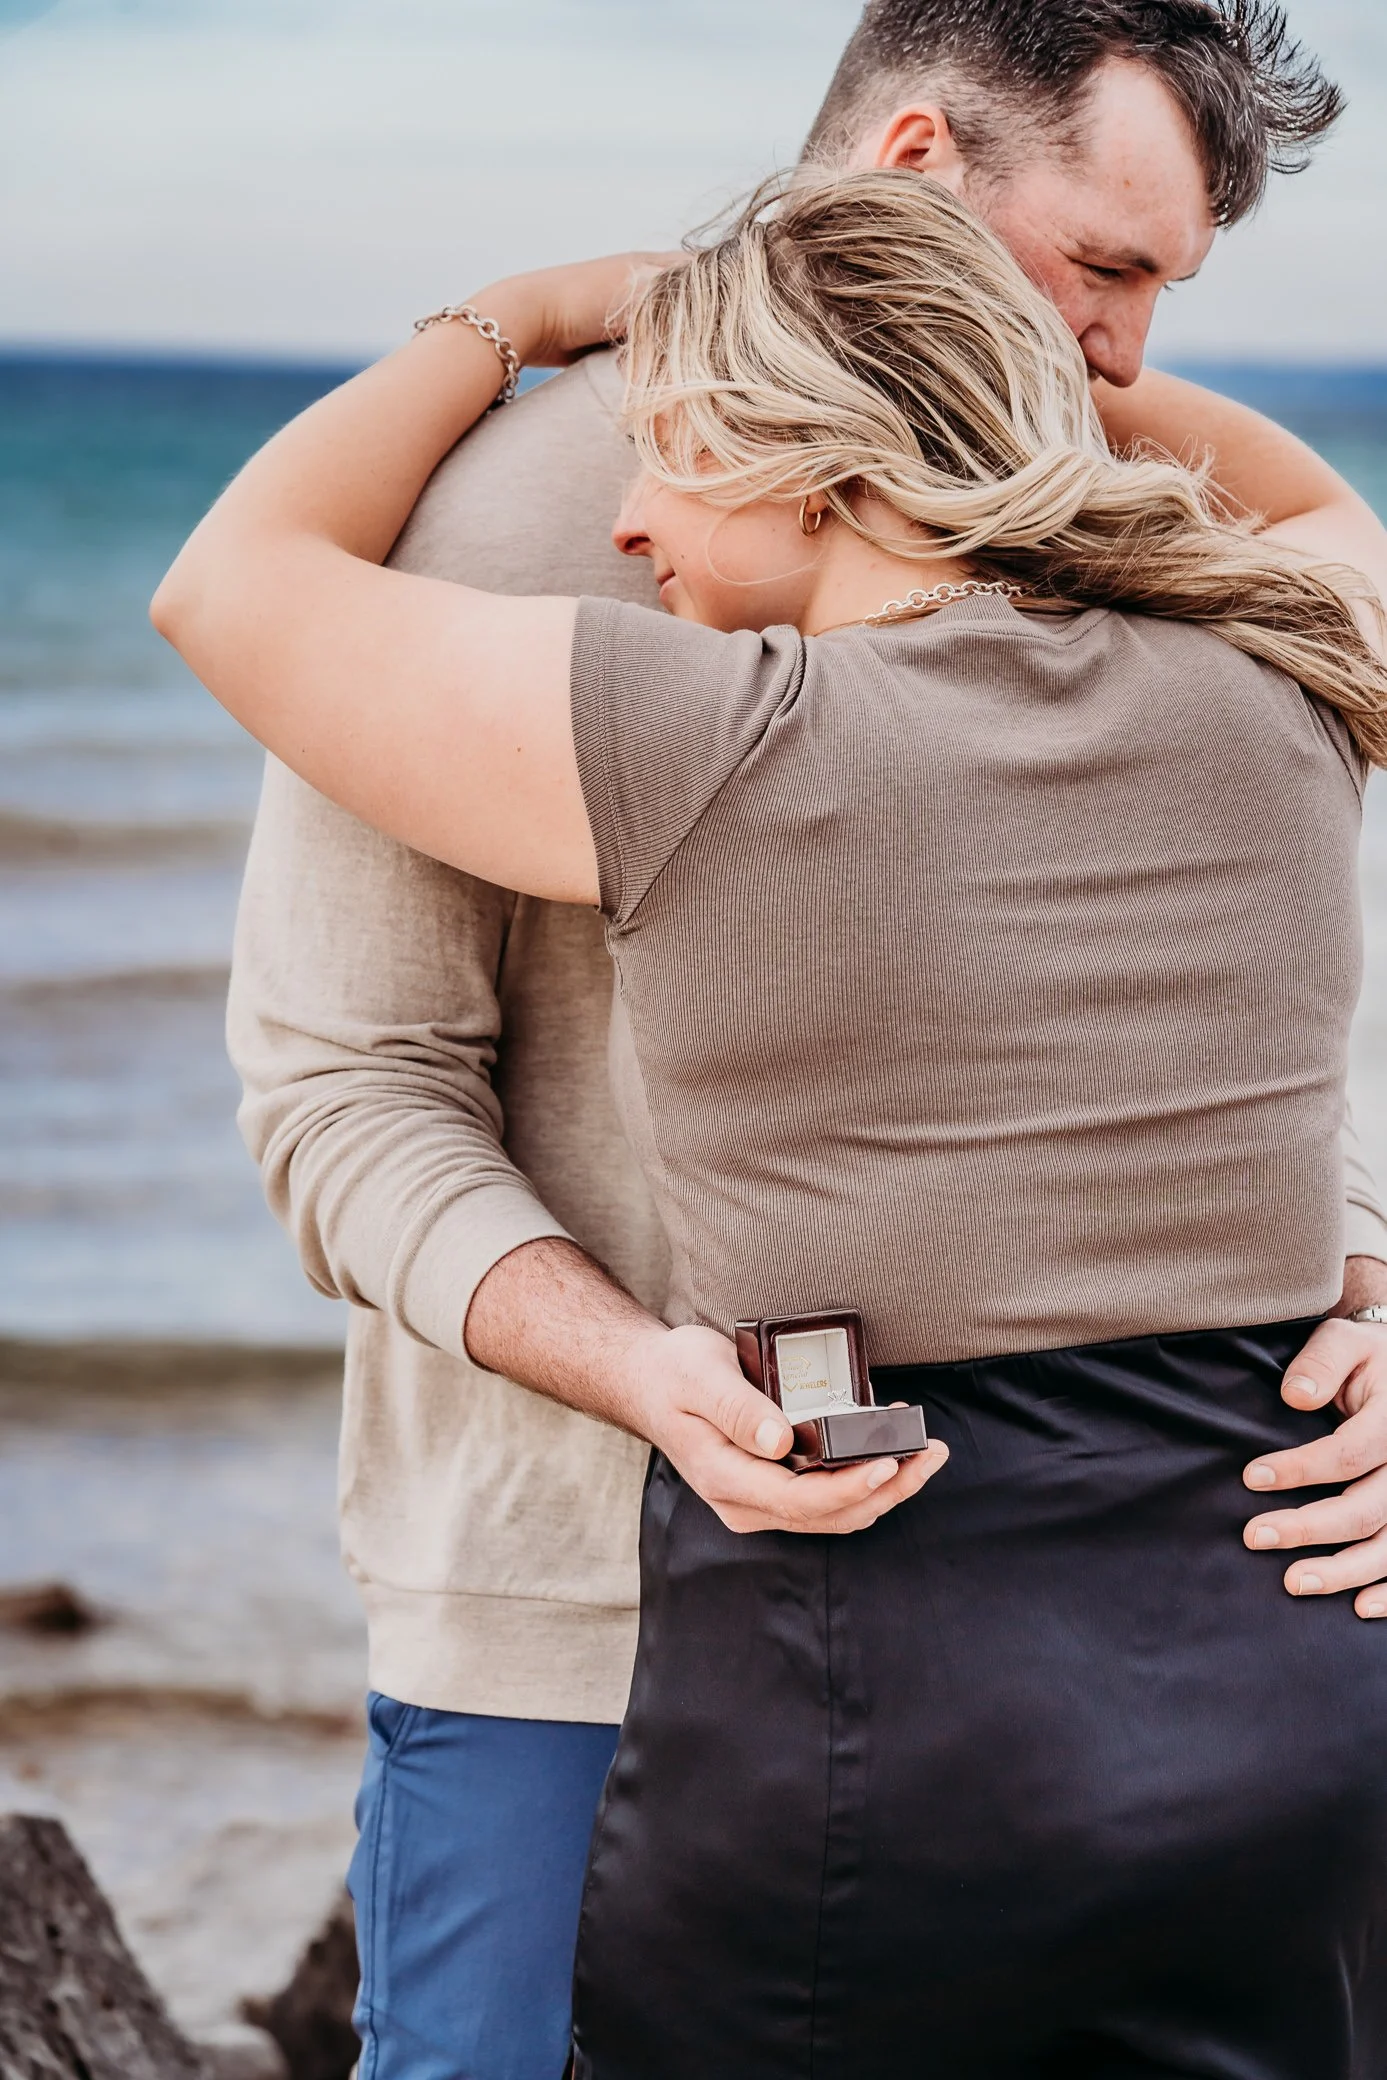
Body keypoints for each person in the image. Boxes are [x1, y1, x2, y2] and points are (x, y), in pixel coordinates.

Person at [224, 3, 1387, 2074]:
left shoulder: (1150, 570)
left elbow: (1297, 1031)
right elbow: (343, 1080)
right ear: (917, 171)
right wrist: (633, 1365)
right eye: (1104, 271)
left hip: (1098, 1636)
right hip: (566, 1637)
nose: (1124, 353)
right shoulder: (482, 538)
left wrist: (1357, 1278)